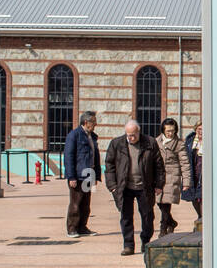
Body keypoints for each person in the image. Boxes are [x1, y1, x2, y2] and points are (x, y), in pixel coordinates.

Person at [104, 119, 164, 256]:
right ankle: (128, 245)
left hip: (144, 186)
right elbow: (109, 166)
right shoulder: (116, 144)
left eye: (133, 135)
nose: (131, 138)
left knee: (148, 216)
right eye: (128, 135)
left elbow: (158, 165)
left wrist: (159, 184)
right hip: (124, 187)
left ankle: (145, 241)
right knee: (126, 217)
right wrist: (112, 186)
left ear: (139, 132)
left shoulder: (150, 143)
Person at [63, 110, 101, 238]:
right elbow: (68, 157)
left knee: (86, 204)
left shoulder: (92, 136)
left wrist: (96, 176)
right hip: (78, 176)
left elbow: (95, 157)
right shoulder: (74, 135)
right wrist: (71, 176)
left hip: (88, 174)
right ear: (86, 122)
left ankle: (82, 227)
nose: (95, 124)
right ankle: (72, 228)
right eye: (94, 122)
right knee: (76, 203)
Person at [155, 117, 192, 236]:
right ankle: (171, 222)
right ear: (163, 131)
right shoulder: (156, 141)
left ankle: (163, 229)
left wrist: (186, 181)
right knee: (159, 202)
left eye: (173, 130)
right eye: (168, 131)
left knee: (166, 202)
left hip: (172, 175)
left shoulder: (179, 144)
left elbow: (185, 163)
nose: (170, 133)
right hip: (159, 175)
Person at [183, 121, 203, 222]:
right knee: (194, 197)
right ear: (196, 129)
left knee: (202, 196)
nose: (201, 132)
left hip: (203, 173)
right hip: (193, 172)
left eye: (203, 129)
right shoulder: (190, 141)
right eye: (199, 129)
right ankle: (199, 216)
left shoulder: (209, 140)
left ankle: (203, 220)